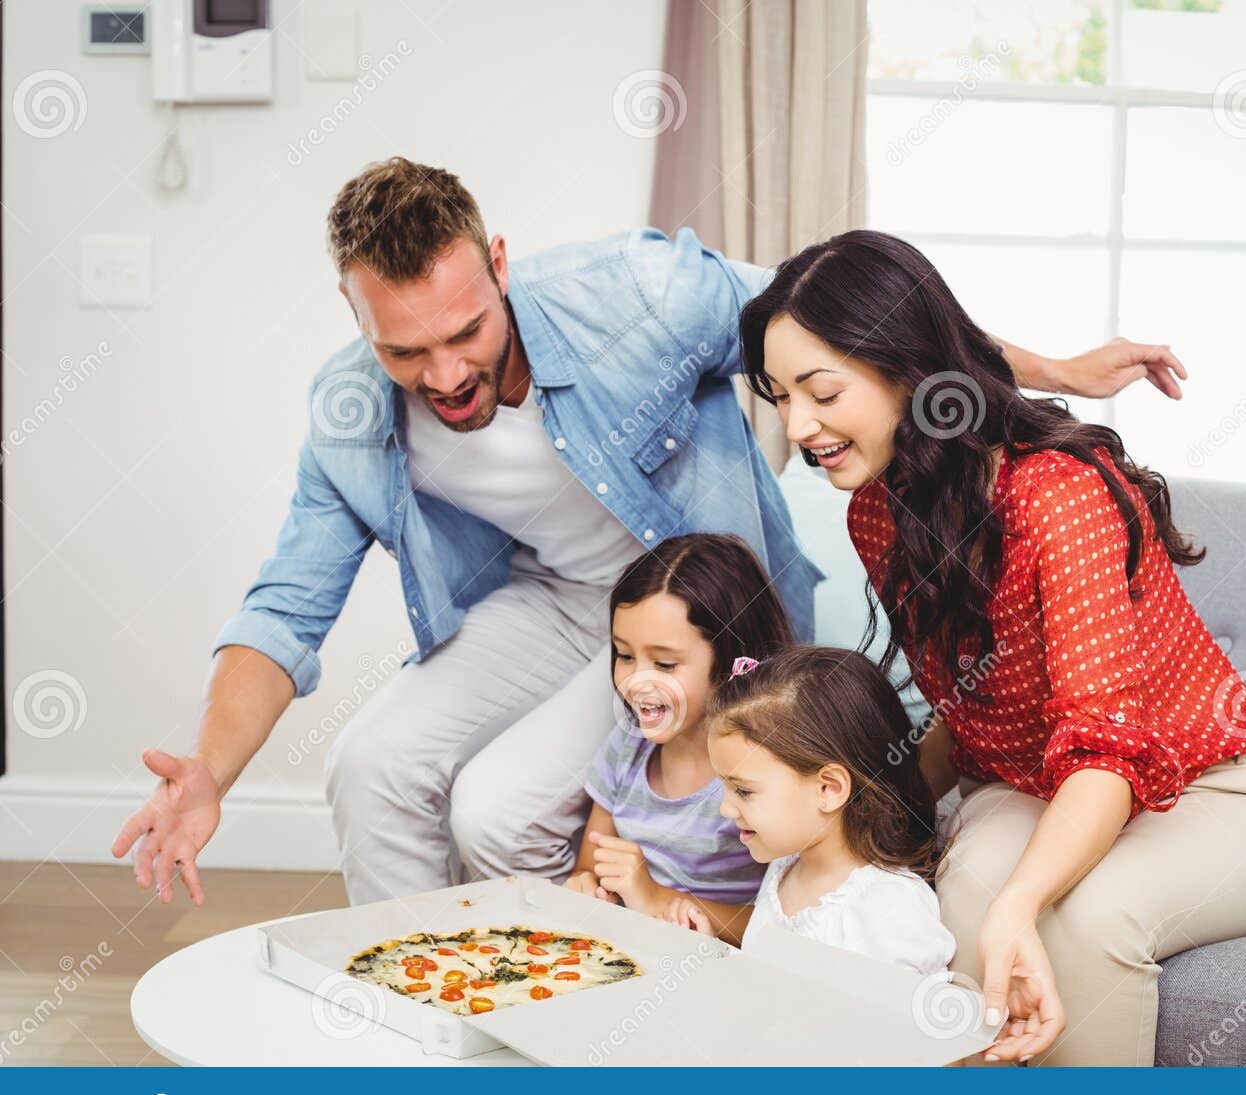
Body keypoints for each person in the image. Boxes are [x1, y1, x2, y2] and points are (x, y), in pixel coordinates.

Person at [111, 155, 1190, 909]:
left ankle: (553, 1039)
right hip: (544, 601)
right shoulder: (348, 413)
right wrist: (210, 769)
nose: (444, 374)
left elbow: (847, 324)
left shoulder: (635, 293)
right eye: (403, 352)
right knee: (369, 761)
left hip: (699, 614)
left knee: (496, 813)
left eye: (465, 331)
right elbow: (286, 603)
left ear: (498, 261)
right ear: (354, 315)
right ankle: (424, 1048)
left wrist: (1051, 368)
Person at [736, 229, 1246, 1066]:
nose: (797, 425)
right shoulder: (879, 508)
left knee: (1086, 916)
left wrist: (1021, 902)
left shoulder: (1061, 497)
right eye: (782, 396)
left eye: (821, 392)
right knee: (966, 891)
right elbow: (963, 710)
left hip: (1214, 796)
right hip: (1032, 783)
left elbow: (1105, 753)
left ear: (905, 370)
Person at [564, 534, 793, 944]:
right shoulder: (627, 747)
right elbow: (589, 867)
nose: (637, 680)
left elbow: (785, 928)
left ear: (729, 660)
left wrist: (655, 898)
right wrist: (586, 886)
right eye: (624, 655)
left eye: (665, 663)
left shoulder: (765, 768)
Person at [676, 646, 955, 979]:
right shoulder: (785, 867)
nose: (725, 808)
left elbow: (917, 1022)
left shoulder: (889, 908)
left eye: (744, 791)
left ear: (829, 789)